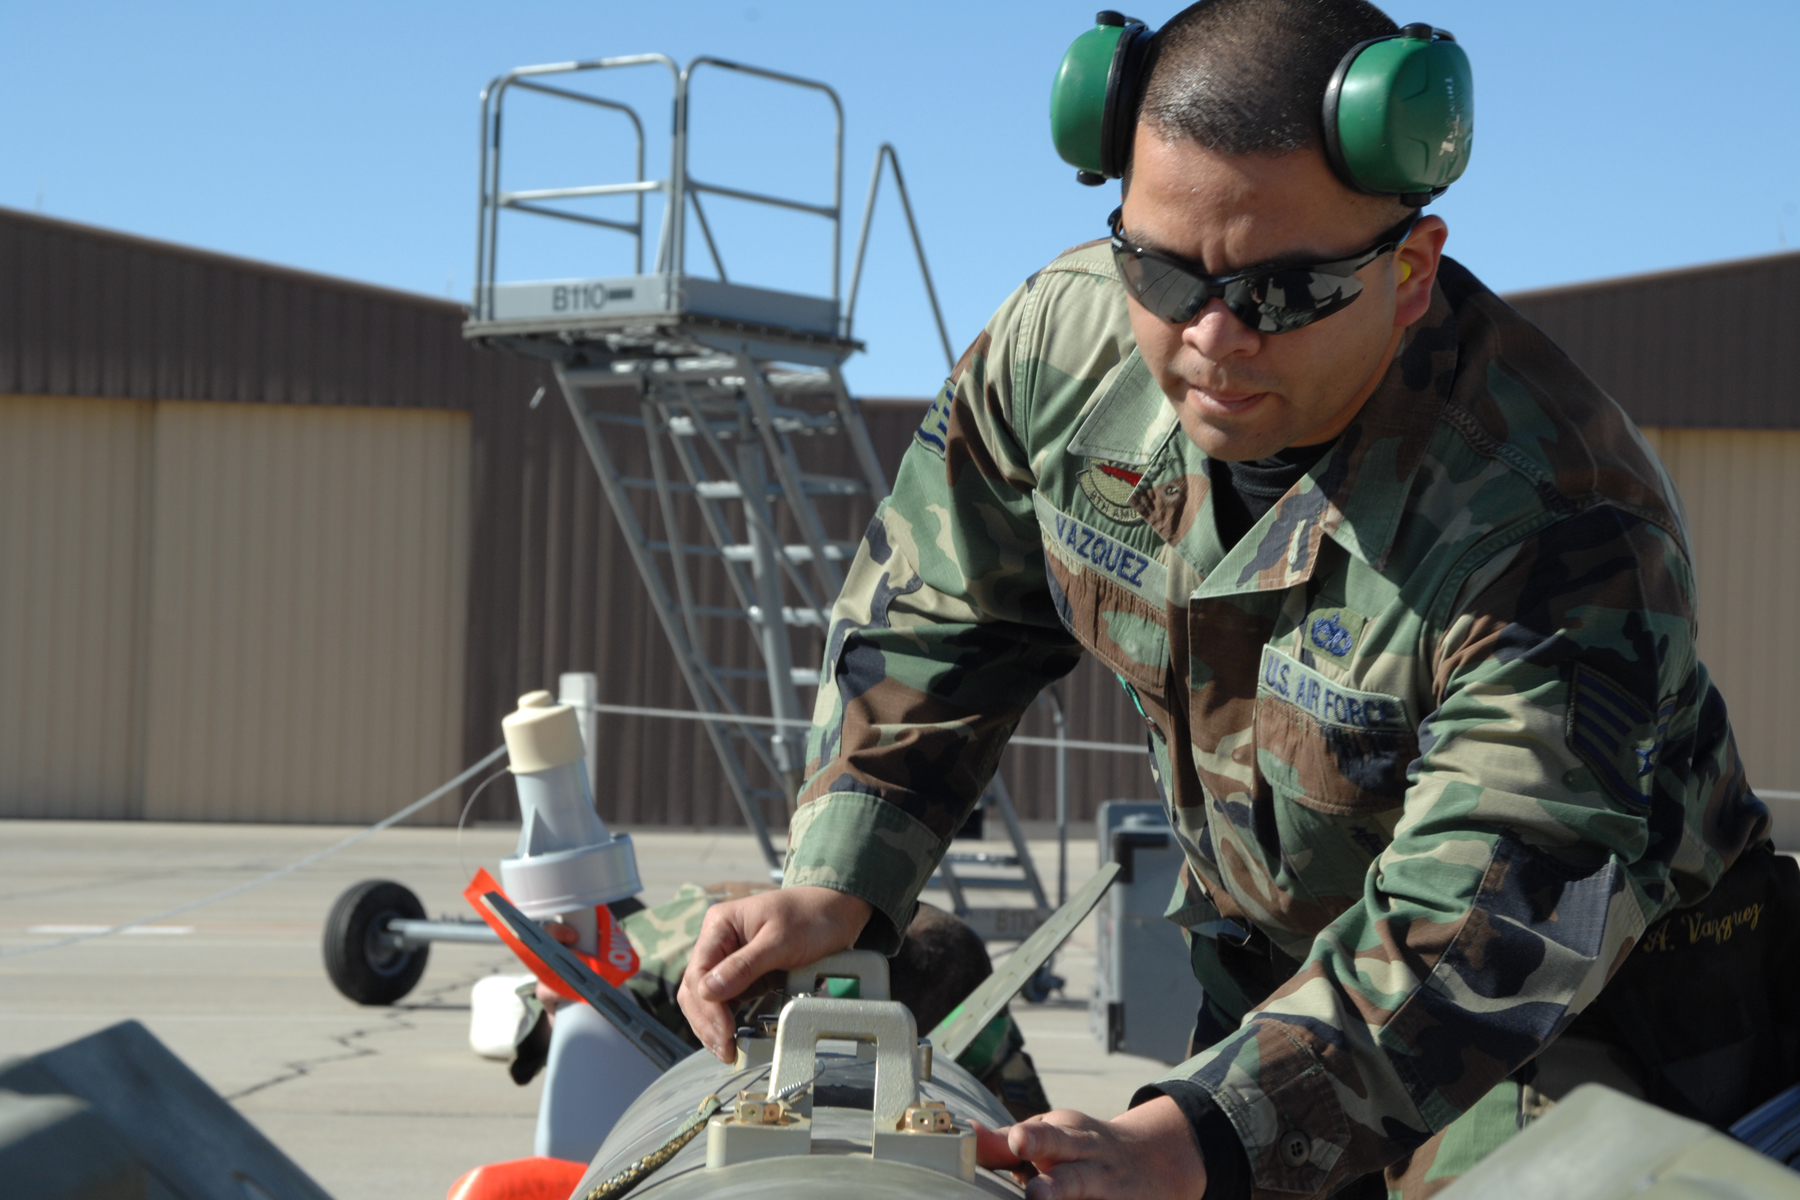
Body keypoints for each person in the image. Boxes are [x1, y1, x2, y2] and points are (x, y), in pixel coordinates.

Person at [677, 2, 1789, 1197]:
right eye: (1162, 270)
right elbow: (941, 613)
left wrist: (1197, 1137)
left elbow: (1498, 907)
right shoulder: (1061, 353)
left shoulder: (1552, 519)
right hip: (1274, 1001)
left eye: (1285, 290)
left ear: (1409, 272)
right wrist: (841, 877)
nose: (1213, 336)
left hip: (1566, 1040)